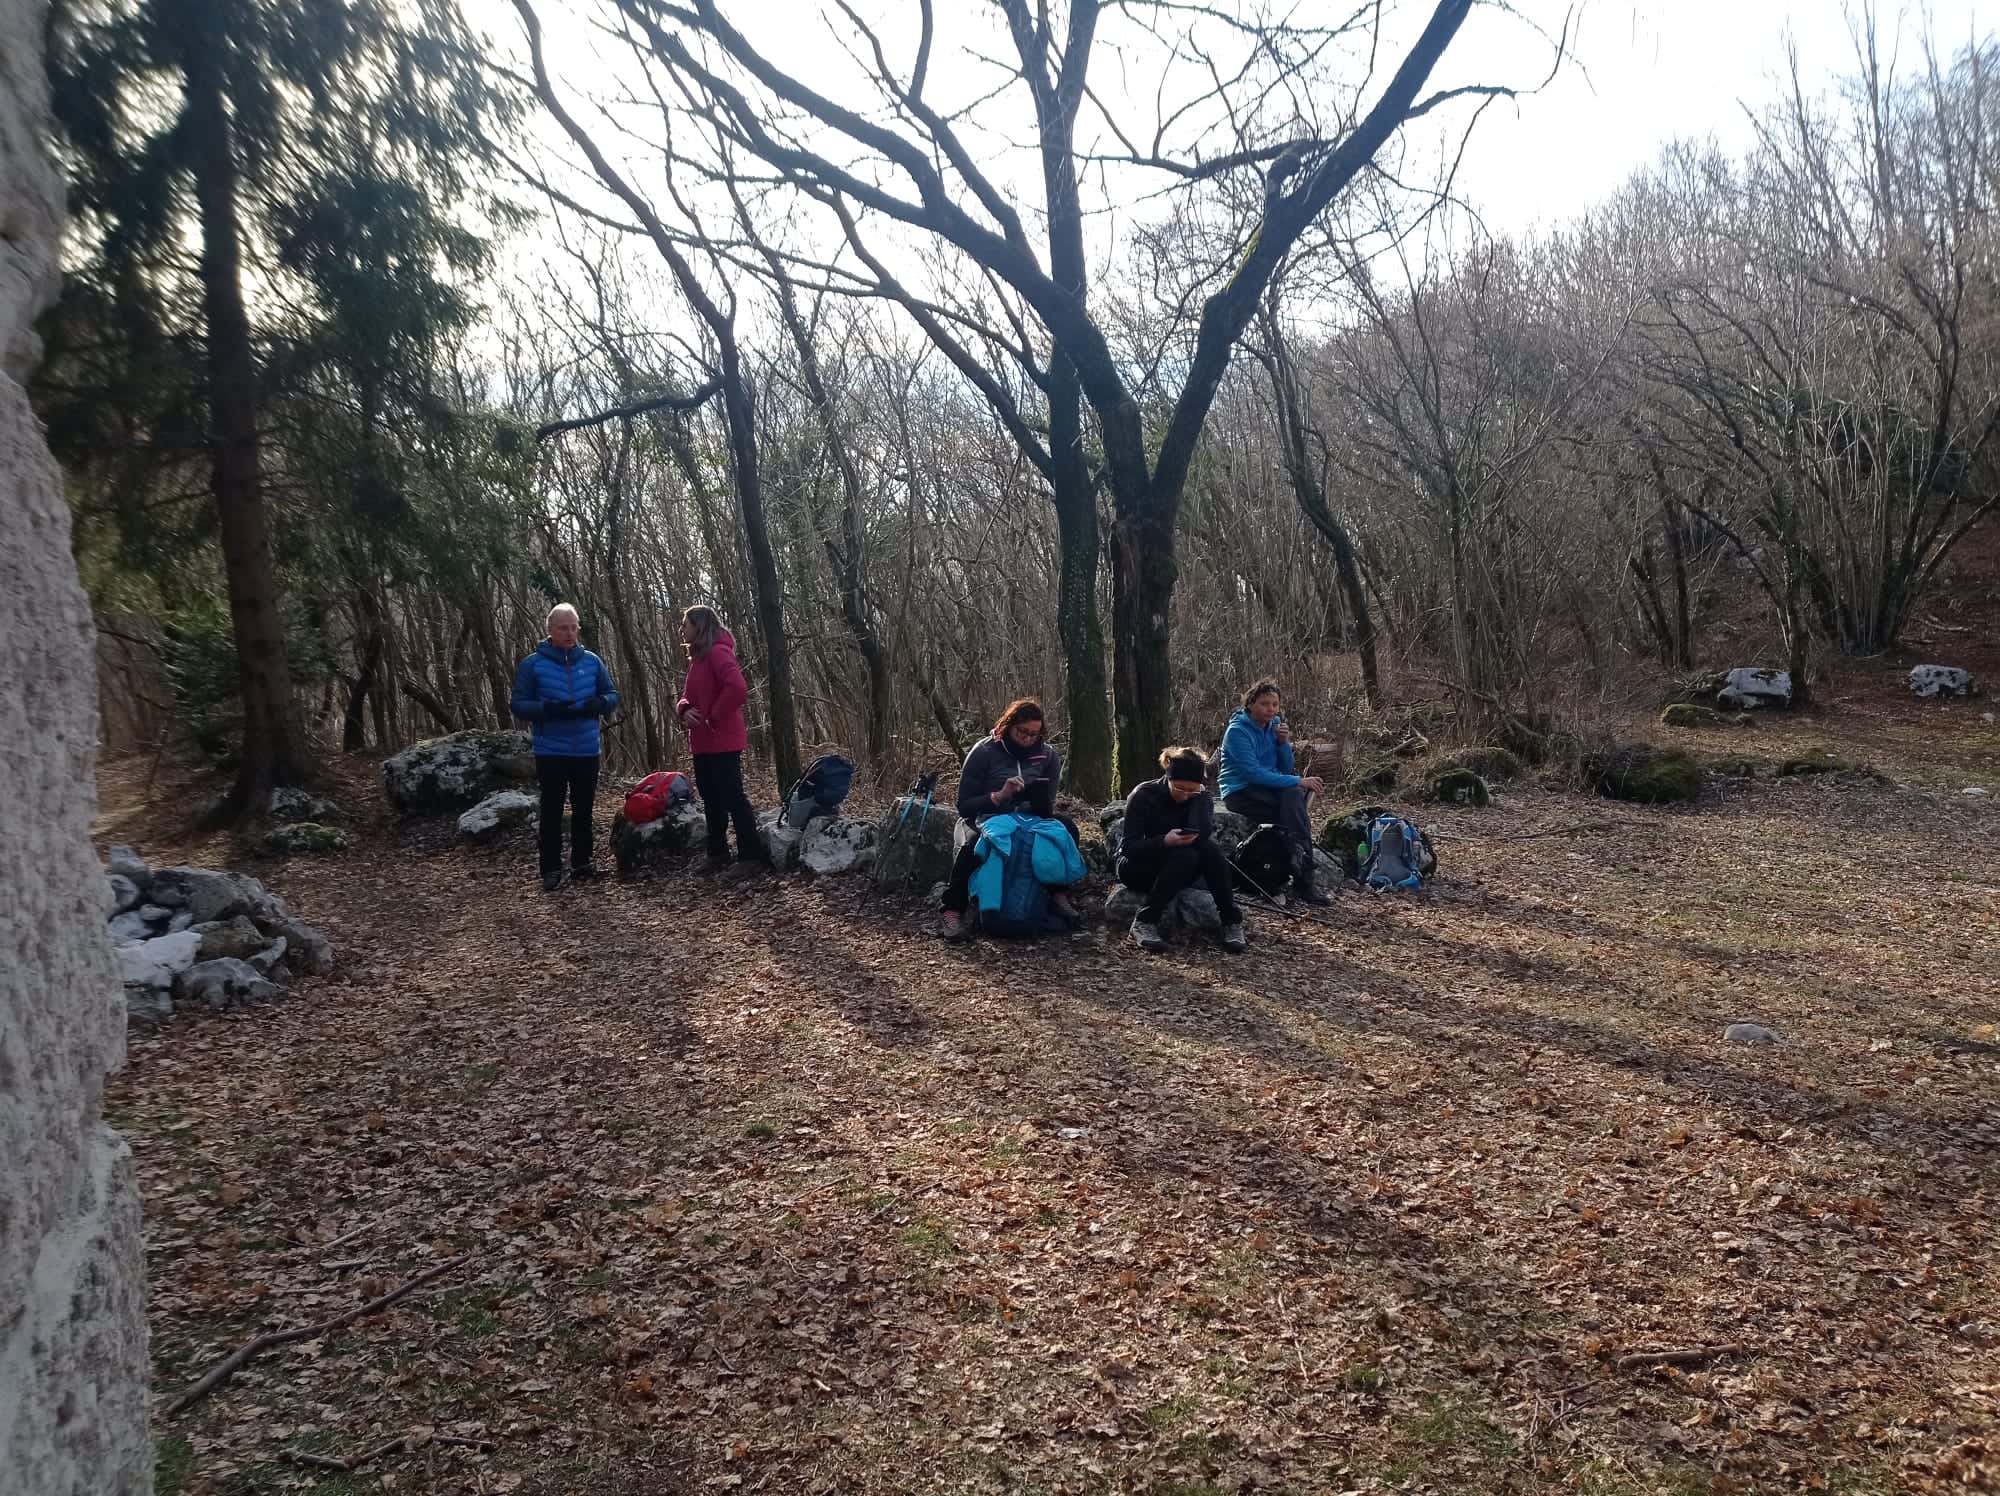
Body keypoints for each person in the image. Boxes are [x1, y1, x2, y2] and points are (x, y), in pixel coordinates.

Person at [938, 698, 1081, 940]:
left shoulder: (1048, 756)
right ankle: (952, 910)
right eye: (1022, 732)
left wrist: (1037, 801)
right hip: (985, 816)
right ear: (1008, 726)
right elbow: (964, 805)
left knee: (1065, 829)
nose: (1027, 739)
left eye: (1033, 734)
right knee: (972, 843)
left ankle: (1057, 893)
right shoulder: (984, 751)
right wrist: (999, 795)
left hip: (1028, 819)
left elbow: (1048, 804)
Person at [510, 603, 620, 892]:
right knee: (552, 810)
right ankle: (550, 868)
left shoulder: (592, 661)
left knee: (584, 809)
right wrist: (547, 709)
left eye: (574, 627)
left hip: (587, 748)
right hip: (551, 749)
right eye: (563, 628)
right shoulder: (533, 664)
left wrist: (600, 703)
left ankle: (582, 863)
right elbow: (518, 704)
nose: (570, 633)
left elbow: (612, 694)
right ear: (550, 630)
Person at [1120, 747, 1248, 955]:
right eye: (1179, 788)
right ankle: (1145, 921)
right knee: (1185, 855)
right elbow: (1129, 848)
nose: (1185, 795)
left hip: (1180, 866)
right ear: (1168, 779)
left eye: (1192, 790)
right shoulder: (1144, 795)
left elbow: (1202, 835)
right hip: (1138, 865)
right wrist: (1164, 841)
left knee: (1210, 851)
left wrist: (1198, 801)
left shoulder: (1200, 797)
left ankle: (1231, 921)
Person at [676, 605, 770, 877]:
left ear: (699, 626)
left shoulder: (718, 652)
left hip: (723, 739)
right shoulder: (698, 658)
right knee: (710, 797)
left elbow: (738, 689)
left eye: (685, 624)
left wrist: (713, 716)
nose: (681, 629)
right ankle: (717, 852)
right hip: (703, 741)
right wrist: (684, 709)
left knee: (732, 796)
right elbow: (687, 696)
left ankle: (750, 856)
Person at [1217, 679, 1330, 906]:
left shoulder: (1275, 726)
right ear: (1251, 704)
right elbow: (1253, 774)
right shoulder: (1237, 731)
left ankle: (1293, 875)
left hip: (1268, 789)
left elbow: (1286, 767)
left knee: (1292, 799)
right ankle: (1303, 880)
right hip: (1240, 791)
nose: (1271, 709)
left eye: (1275, 704)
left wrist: (1282, 743)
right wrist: (1299, 780)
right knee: (1293, 811)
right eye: (1265, 704)